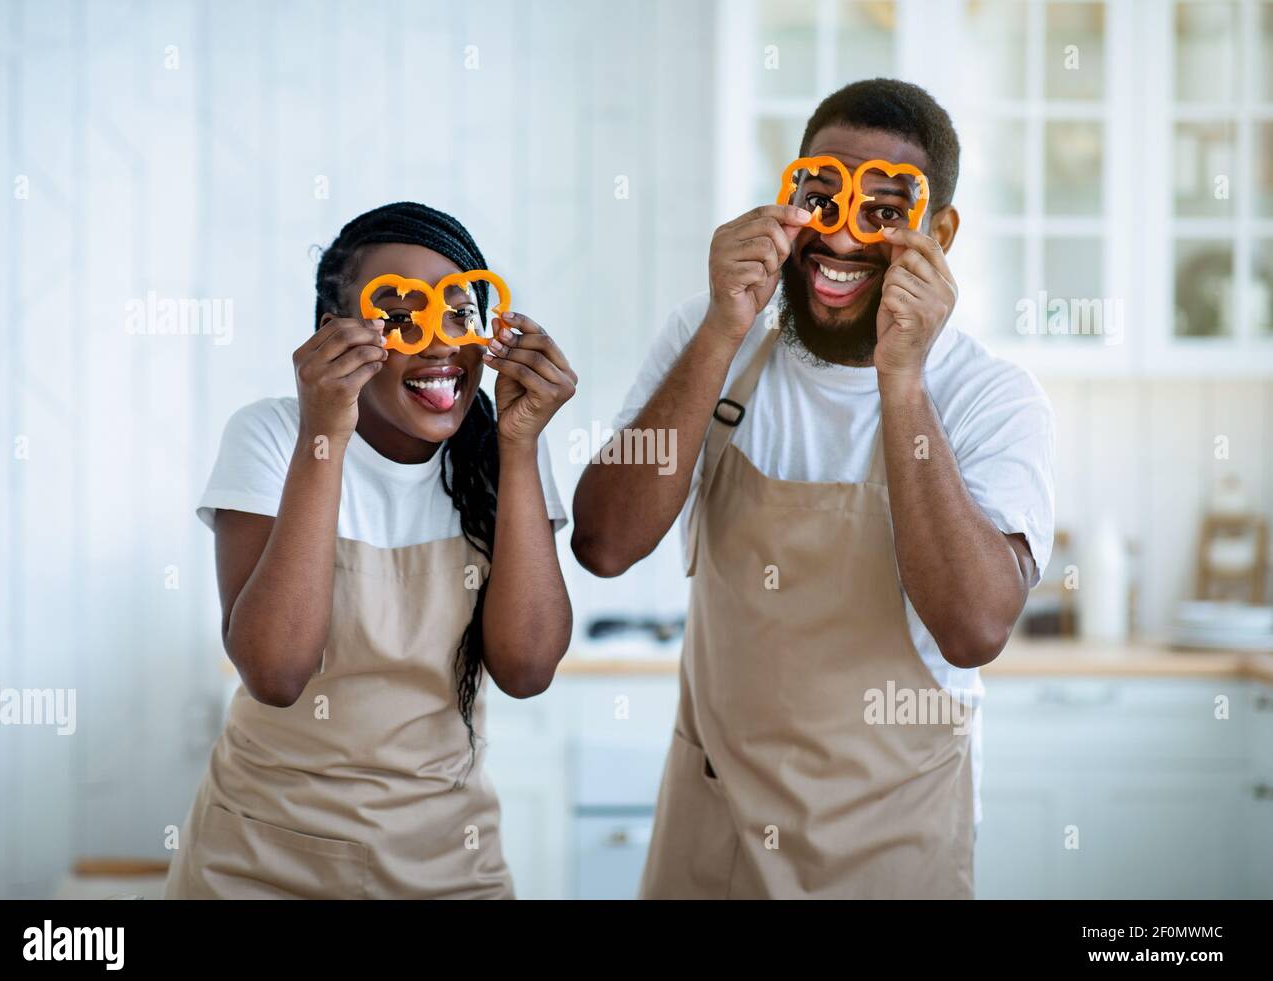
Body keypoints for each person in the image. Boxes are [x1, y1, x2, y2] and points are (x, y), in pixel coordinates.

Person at [572, 79, 1055, 898]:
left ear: (939, 233)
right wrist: (725, 325)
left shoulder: (991, 397)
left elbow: (974, 627)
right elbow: (604, 545)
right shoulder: (712, 336)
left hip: (895, 849)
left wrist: (901, 378)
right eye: (821, 194)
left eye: (886, 210)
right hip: (713, 837)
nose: (841, 236)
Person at [165, 202, 577, 899]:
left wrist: (521, 445)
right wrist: (326, 427)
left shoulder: (503, 452)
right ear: (337, 336)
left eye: (458, 311)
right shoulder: (271, 436)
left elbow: (529, 667)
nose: (439, 344)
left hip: (448, 862)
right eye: (400, 314)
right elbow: (276, 671)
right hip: (261, 862)